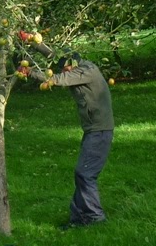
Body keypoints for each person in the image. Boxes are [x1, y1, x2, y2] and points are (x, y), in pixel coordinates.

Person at [24, 52, 114, 229]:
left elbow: (59, 79)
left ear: (73, 63)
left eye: (65, 67)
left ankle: (94, 217)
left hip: (100, 131)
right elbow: (54, 53)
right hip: (93, 130)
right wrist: (33, 42)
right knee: (82, 173)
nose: (62, 69)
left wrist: (31, 72)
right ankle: (79, 217)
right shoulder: (76, 64)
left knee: (85, 173)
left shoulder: (86, 71)